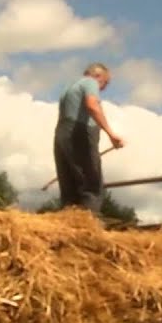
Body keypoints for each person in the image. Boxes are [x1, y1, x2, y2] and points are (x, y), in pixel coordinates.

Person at [52, 63, 124, 216]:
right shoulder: (90, 83)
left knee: (69, 187)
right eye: (105, 83)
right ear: (98, 77)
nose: (103, 88)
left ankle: (69, 228)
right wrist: (111, 134)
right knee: (91, 185)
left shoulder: (68, 88)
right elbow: (92, 106)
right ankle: (89, 227)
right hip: (80, 133)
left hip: (61, 134)